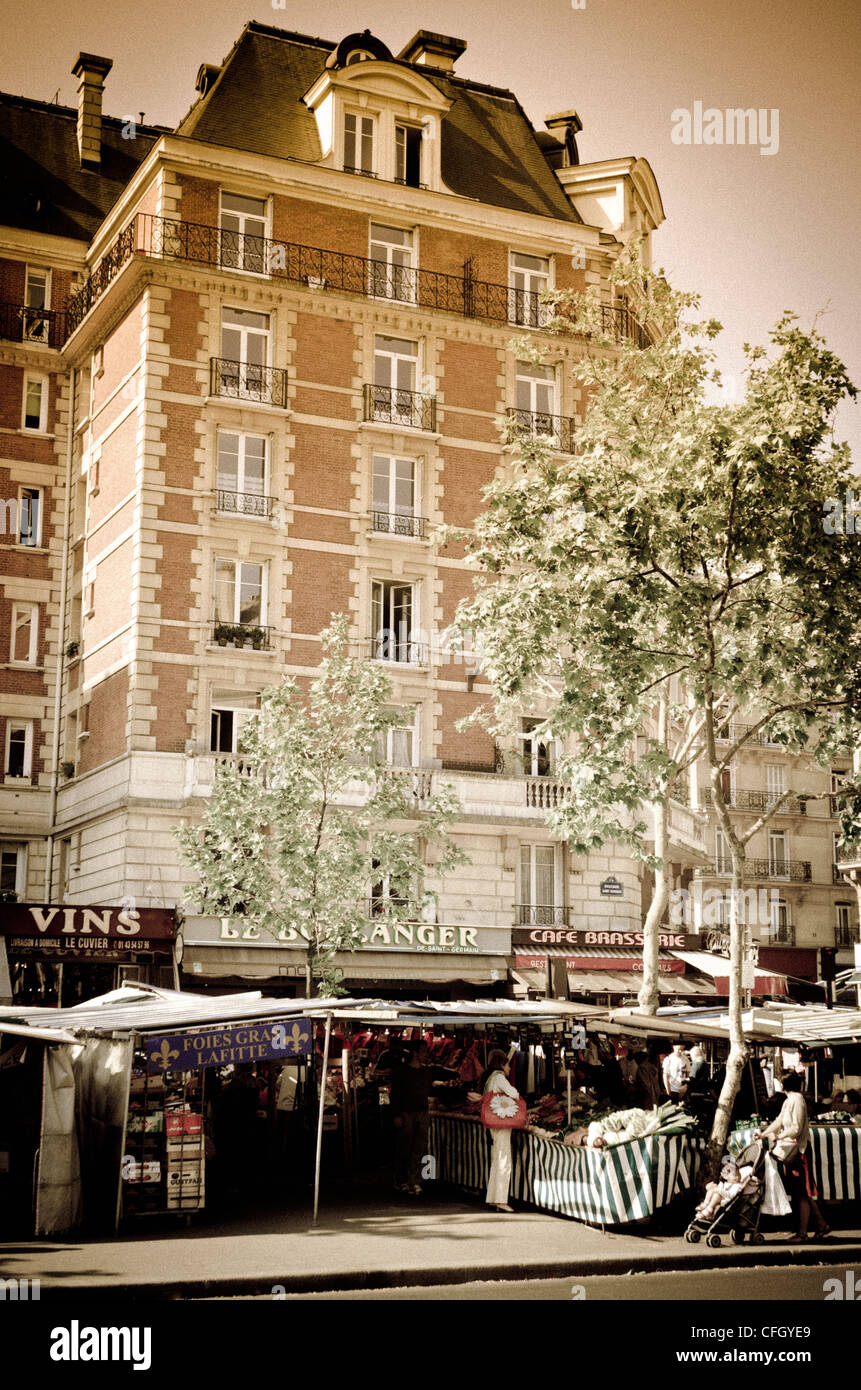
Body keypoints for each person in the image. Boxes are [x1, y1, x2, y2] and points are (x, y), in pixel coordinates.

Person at [757, 1072, 830, 1242]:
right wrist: (763, 1134)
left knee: (802, 1192)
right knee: (800, 1191)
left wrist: (778, 1137)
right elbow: (779, 1121)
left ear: (784, 1084)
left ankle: (803, 1233)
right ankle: (821, 1225)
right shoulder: (788, 1100)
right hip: (793, 1151)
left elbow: (796, 1128)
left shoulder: (797, 1100)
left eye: (778, 1081)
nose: (776, 1083)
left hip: (800, 1151)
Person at [470, 1048, 521, 1214]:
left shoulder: (489, 1078)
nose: (510, 1069)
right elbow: (514, 1093)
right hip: (501, 1122)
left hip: (493, 1124)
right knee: (504, 1160)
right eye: (508, 1065)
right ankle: (501, 1200)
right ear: (502, 1063)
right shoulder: (499, 1078)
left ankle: (493, 1197)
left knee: (497, 1160)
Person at [390, 1041, 432, 1195]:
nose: (426, 1054)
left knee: (420, 1147)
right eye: (424, 1051)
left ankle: (415, 1180)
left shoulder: (426, 1072)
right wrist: (396, 1114)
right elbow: (395, 1095)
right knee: (405, 1147)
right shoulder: (402, 1072)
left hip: (422, 1112)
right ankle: (401, 1179)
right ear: (415, 1053)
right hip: (406, 1113)